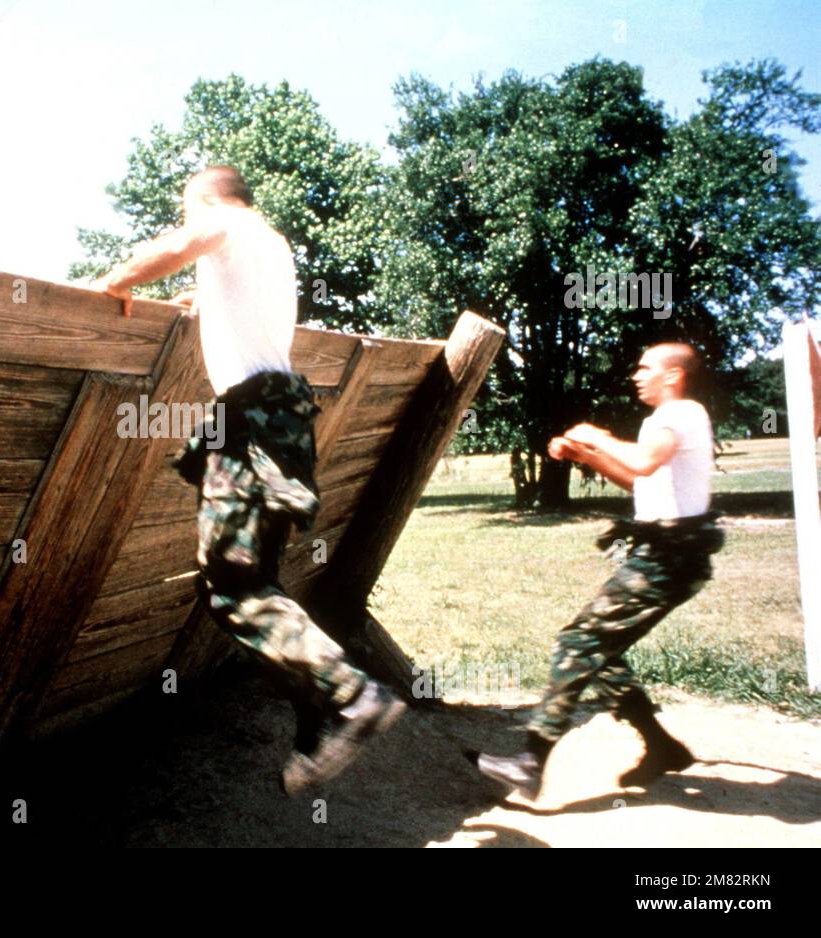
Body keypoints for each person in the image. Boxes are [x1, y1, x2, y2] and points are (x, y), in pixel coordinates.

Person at [92, 166, 404, 795]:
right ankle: (321, 719)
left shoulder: (223, 221)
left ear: (205, 200)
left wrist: (114, 280)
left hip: (252, 422)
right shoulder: (268, 244)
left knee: (233, 586)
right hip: (284, 420)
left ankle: (351, 695)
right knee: (254, 581)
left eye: (189, 210)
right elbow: (238, 307)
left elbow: (174, 247)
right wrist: (196, 303)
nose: (189, 223)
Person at [471, 342, 724, 800]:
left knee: (579, 642)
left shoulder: (679, 413)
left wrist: (595, 435)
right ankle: (662, 747)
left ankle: (531, 761)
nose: (636, 374)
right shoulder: (672, 419)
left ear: (673, 377)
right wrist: (584, 456)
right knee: (599, 648)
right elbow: (637, 478)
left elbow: (643, 462)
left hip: (669, 556)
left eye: (646, 367)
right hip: (669, 554)